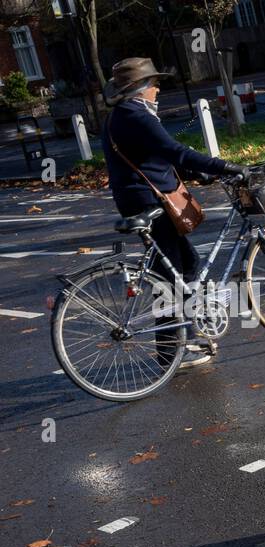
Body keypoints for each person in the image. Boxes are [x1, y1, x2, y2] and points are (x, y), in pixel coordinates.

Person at [101, 57, 248, 368]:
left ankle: (185, 338)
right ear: (139, 88)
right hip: (150, 203)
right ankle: (171, 354)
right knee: (168, 278)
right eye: (154, 84)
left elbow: (154, 155)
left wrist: (198, 174)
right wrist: (222, 166)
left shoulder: (125, 115)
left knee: (185, 266)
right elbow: (173, 150)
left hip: (142, 198)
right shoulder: (135, 115)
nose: (158, 90)